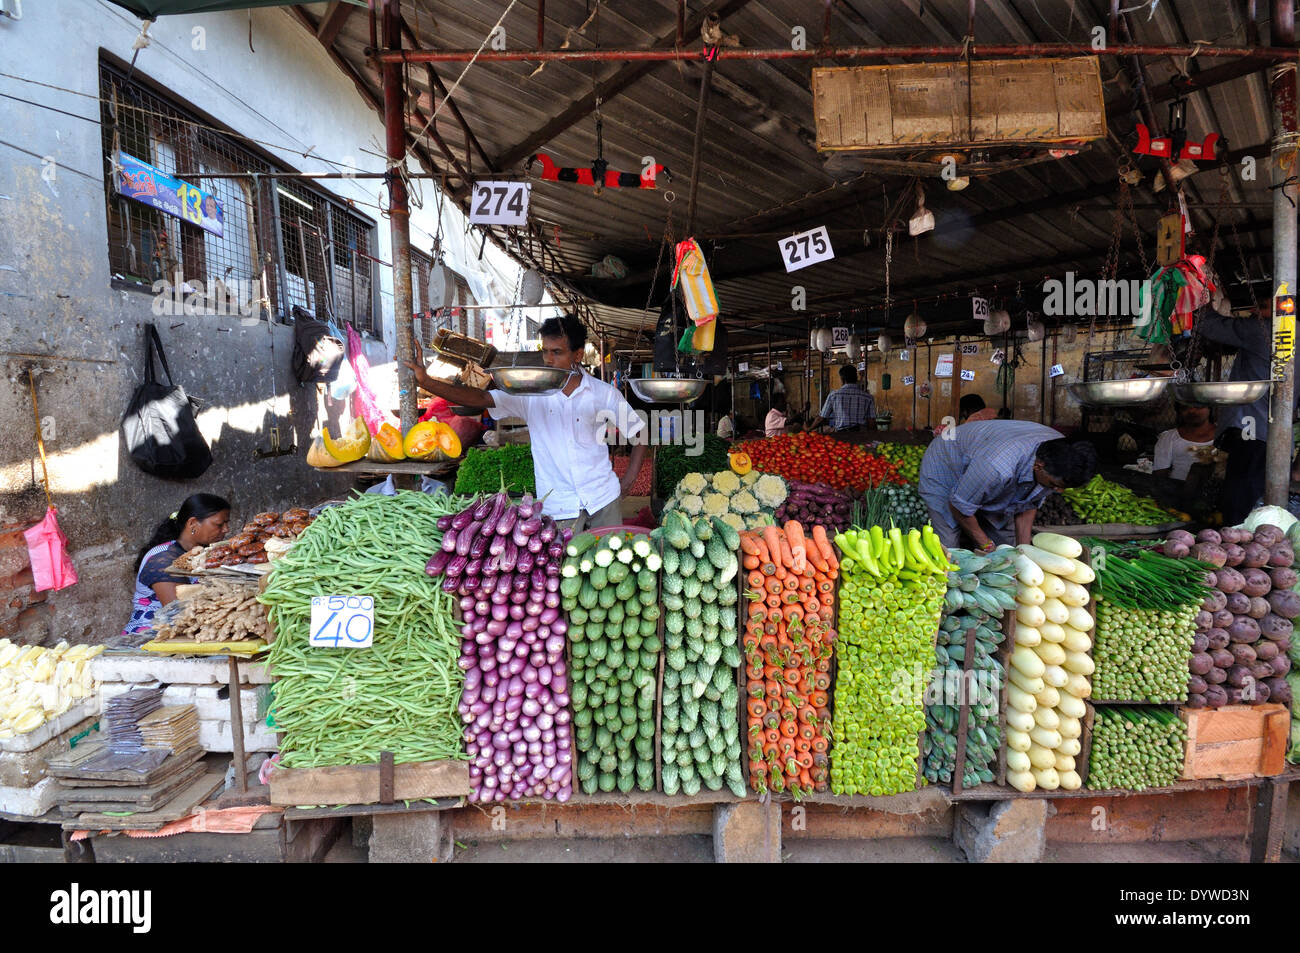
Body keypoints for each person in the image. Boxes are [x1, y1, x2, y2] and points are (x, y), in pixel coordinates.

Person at [404, 313, 647, 528]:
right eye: (545, 351)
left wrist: (628, 481)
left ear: (578, 354)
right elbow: (480, 398)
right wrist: (427, 382)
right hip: (558, 507)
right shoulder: (530, 394)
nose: (548, 359)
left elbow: (639, 433)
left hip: (603, 500)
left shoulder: (603, 394)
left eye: (557, 352)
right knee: (563, 575)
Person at [1195, 295, 1300, 523]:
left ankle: (1236, 547)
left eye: (1261, 306)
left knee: (1239, 508)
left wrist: (1200, 295)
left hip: (1251, 432)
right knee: (1266, 510)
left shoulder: (1265, 330)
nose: (1253, 310)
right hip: (1281, 440)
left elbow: (1208, 324)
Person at [918, 421, 1098, 550]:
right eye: (1054, 485)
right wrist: (985, 544)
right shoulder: (995, 468)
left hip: (985, 459)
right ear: (1039, 466)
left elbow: (1028, 503)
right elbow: (958, 506)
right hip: (946, 463)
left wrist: (1024, 551)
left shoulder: (1060, 451)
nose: (1058, 491)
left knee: (1008, 547)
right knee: (949, 546)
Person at [122, 494, 231, 640]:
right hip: (150, 638)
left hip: (190, 632)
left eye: (226, 523)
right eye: (219, 524)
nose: (226, 529)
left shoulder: (203, 554)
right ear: (192, 523)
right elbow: (180, 615)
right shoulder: (163, 559)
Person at [1153, 401, 1216, 482]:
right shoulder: (1168, 437)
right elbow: (1160, 475)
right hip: (1176, 491)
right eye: (1185, 408)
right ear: (1179, 411)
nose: (1192, 411)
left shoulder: (1224, 436)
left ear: (1209, 408)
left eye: (1198, 407)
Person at [807, 365, 874, 432]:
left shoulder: (834, 395)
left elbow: (821, 418)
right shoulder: (868, 397)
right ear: (856, 378)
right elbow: (871, 422)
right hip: (861, 434)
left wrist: (809, 429)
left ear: (842, 379)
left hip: (841, 434)